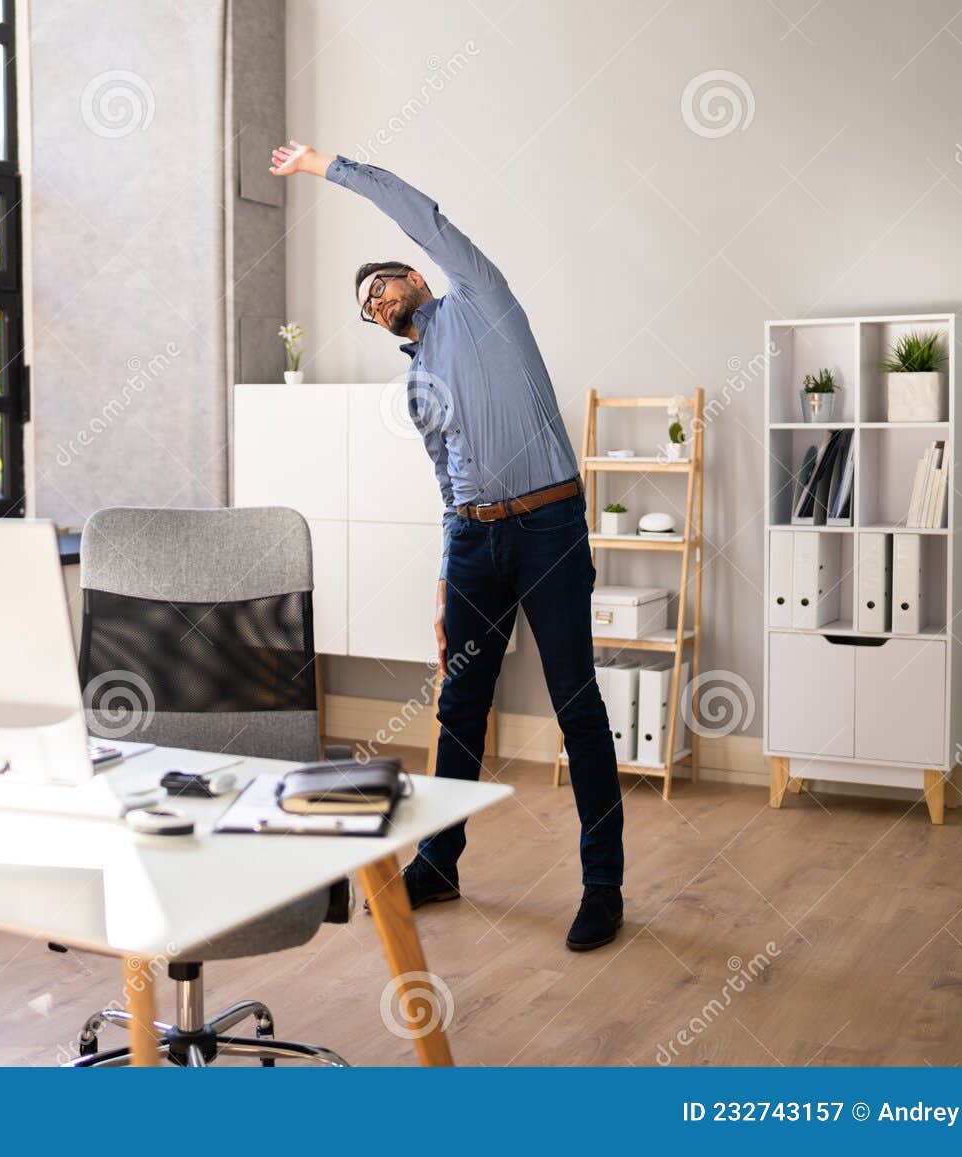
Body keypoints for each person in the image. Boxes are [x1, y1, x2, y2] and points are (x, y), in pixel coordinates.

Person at [270, 140, 625, 951]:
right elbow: (447, 482)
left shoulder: (482, 300)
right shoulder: (417, 378)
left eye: (381, 285)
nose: (374, 301)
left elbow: (417, 213)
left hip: (549, 526)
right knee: (460, 704)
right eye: (364, 305)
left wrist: (328, 167)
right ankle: (440, 861)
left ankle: (602, 885)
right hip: (473, 541)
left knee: (578, 704)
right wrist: (445, 586)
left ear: (420, 280)